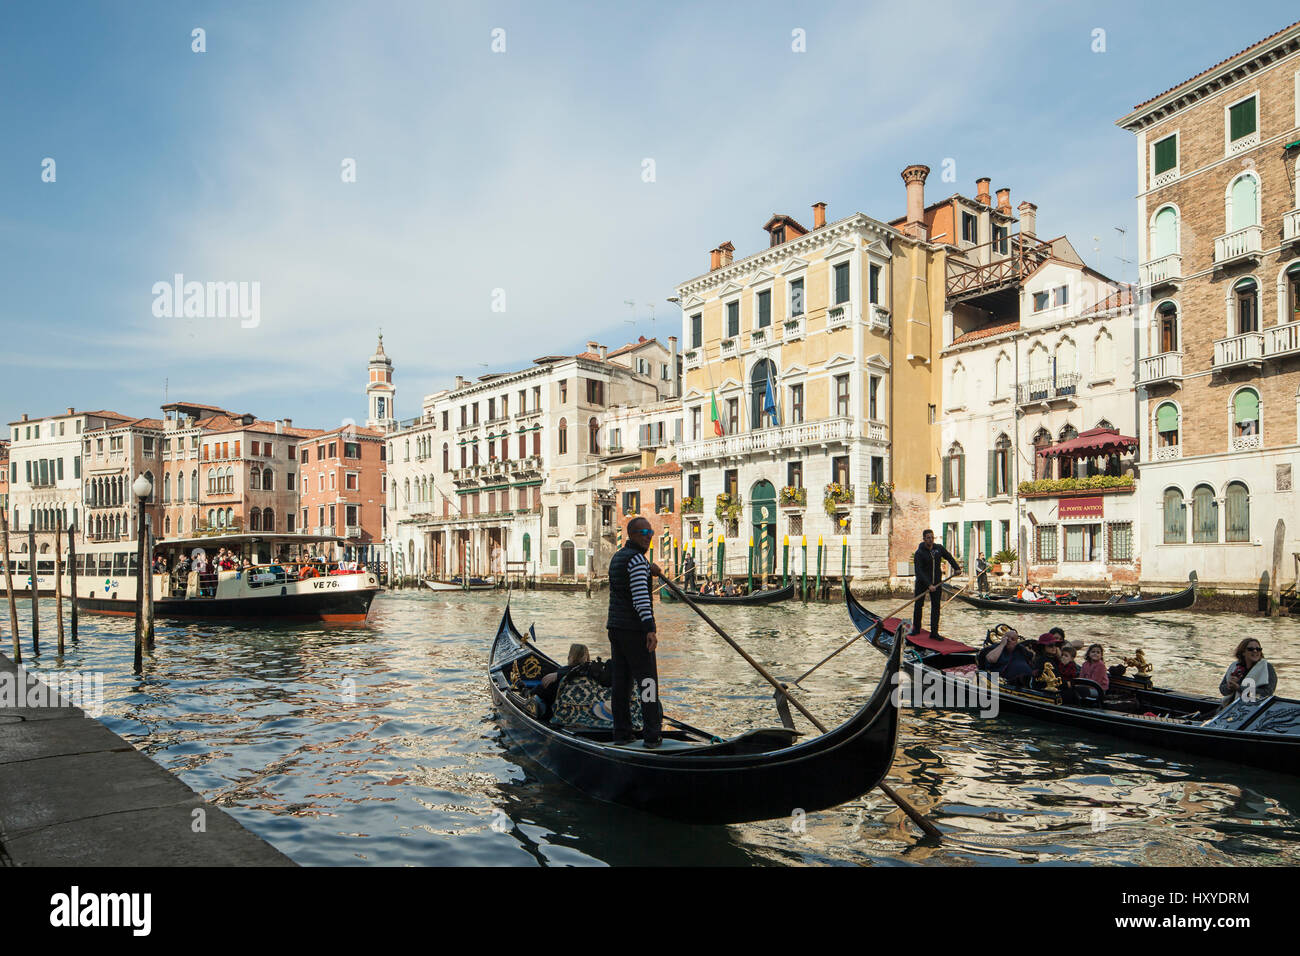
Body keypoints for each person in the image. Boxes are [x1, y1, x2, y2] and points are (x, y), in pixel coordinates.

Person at [606, 516, 664, 747]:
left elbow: (627, 583)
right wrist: (650, 630)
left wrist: (648, 568)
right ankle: (651, 735)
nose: (649, 537)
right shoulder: (638, 561)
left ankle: (621, 733)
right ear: (633, 535)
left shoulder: (618, 558)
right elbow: (641, 599)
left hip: (616, 628)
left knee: (621, 683)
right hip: (634, 631)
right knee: (648, 683)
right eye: (645, 533)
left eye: (651, 534)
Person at [912, 529, 961, 638]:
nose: (930, 540)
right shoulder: (919, 553)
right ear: (924, 539)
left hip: (937, 582)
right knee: (919, 605)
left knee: (936, 607)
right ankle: (916, 629)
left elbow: (948, 557)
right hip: (922, 583)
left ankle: (934, 632)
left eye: (932, 537)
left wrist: (956, 568)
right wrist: (929, 584)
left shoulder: (938, 549)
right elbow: (919, 571)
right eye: (928, 538)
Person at [535, 644, 597, 716]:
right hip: (587, 712)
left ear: (570, 657)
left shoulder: (561, 675)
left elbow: (542, 692)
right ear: (587, 657)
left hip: (560, 713)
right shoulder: (592, 673)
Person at [1219, 638, 1277, 706]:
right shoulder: (1234, 666)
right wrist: (1229, 687)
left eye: (1258, 649)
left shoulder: (1267, 668)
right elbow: (1223, 690)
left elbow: (1268, 693)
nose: (1255, 651)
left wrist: (1239, 688)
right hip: (1229, 707)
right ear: (1243, 652)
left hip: (1253, 709)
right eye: (1250, 649)